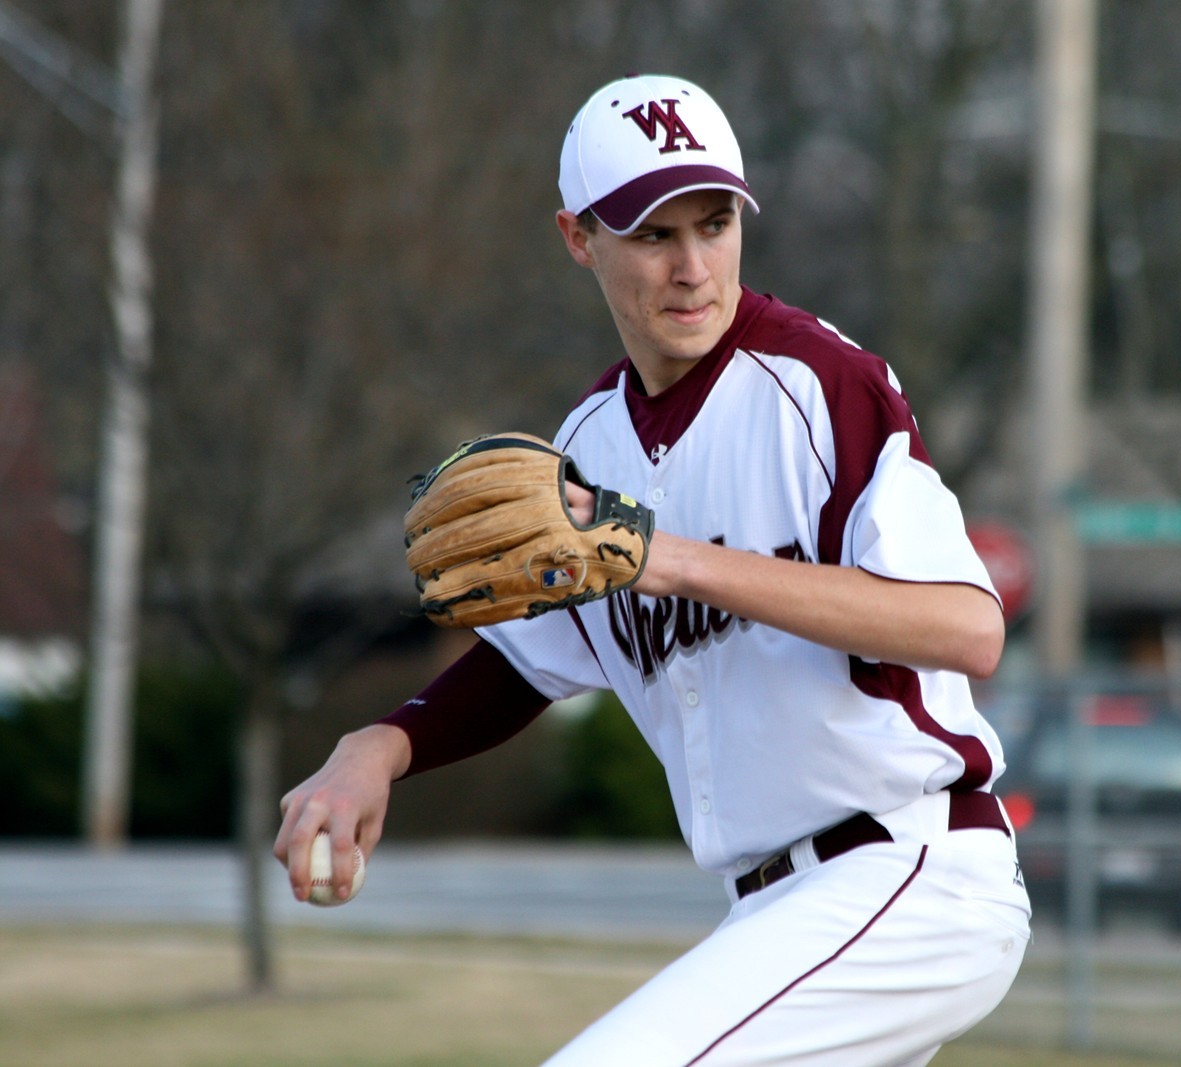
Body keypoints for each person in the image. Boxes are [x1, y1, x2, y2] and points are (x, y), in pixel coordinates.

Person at [275, 72, 1030, 1066]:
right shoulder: (590, 445)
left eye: (713, 223)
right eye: (651, 233)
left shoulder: (813, 386)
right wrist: (379, 744)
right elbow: (528, 659)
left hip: (906, 874)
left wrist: (671, 558)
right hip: (772, 916)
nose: (691, 266)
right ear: (578, 237)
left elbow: (966, 626)